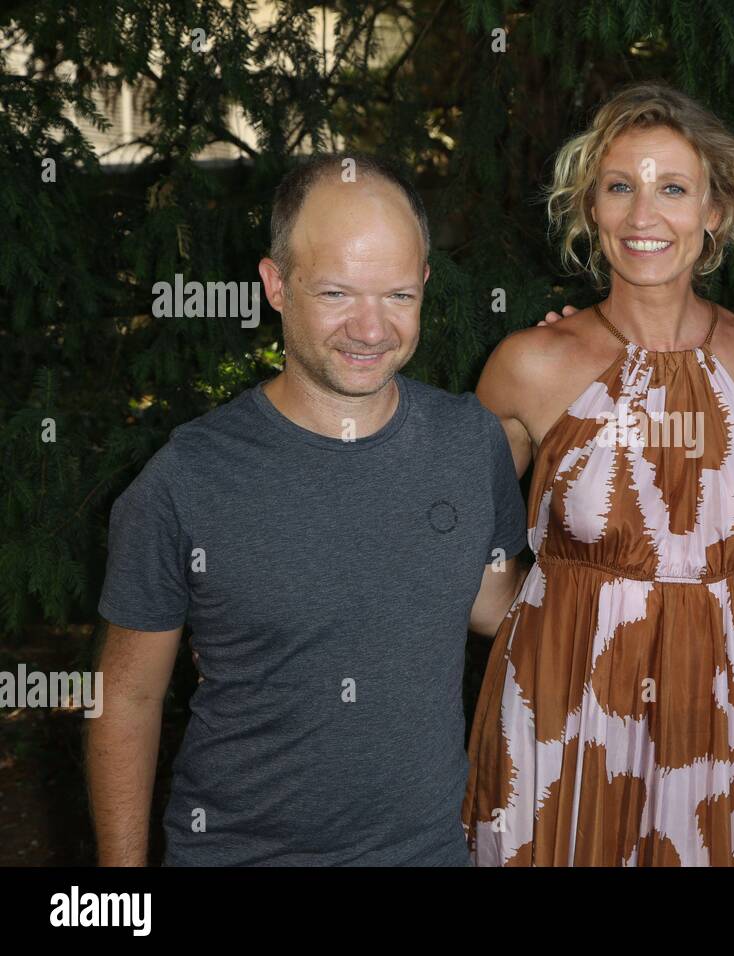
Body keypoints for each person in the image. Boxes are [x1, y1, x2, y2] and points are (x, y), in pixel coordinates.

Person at [87, 154, 527, 866]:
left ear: (423, 286)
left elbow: (496, 604)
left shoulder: (469, 441)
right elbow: (127, 700)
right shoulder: (188, 477)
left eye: (396, 296)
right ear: (276, 285)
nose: (371, 327)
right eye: (335, 293)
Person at [461, 81, 734, 866]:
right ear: (591, 209)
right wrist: (544, 617)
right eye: (620, 188)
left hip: (713, 726)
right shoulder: (532, 364)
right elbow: (446, 543)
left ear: (715, 211)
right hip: (559, 719)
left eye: (672, 188)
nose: (644, 217)